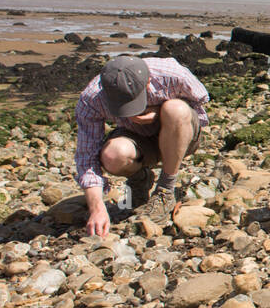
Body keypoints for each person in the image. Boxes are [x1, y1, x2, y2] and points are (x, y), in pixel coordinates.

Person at [74, 55, 210, 235]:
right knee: (112, 155)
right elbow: (86, 157)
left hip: (180, 137)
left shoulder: (172, 75)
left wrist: (160, 112)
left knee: (175, 109)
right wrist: (97, 208)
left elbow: (201, 109)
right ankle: (140, 180)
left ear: (148, 83)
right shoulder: (91, 98)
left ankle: (165, 191)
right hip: (137, 140)